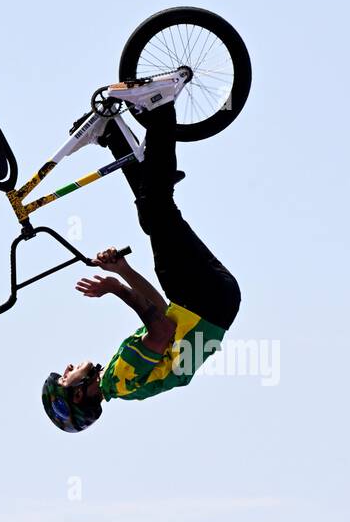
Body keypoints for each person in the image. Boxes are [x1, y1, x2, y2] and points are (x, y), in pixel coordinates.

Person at [41, 86, 241, 433]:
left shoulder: (120, 379)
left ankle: (114, 135)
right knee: (156, 210)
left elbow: (161, 311)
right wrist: (117, 288)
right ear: (77, 394)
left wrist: (124, 270)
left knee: (156, 210)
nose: (69, 366)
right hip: (203, 303)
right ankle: (160, 108)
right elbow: (162, 328)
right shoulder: (120, 380)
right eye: (66, 375)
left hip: (208, 303)